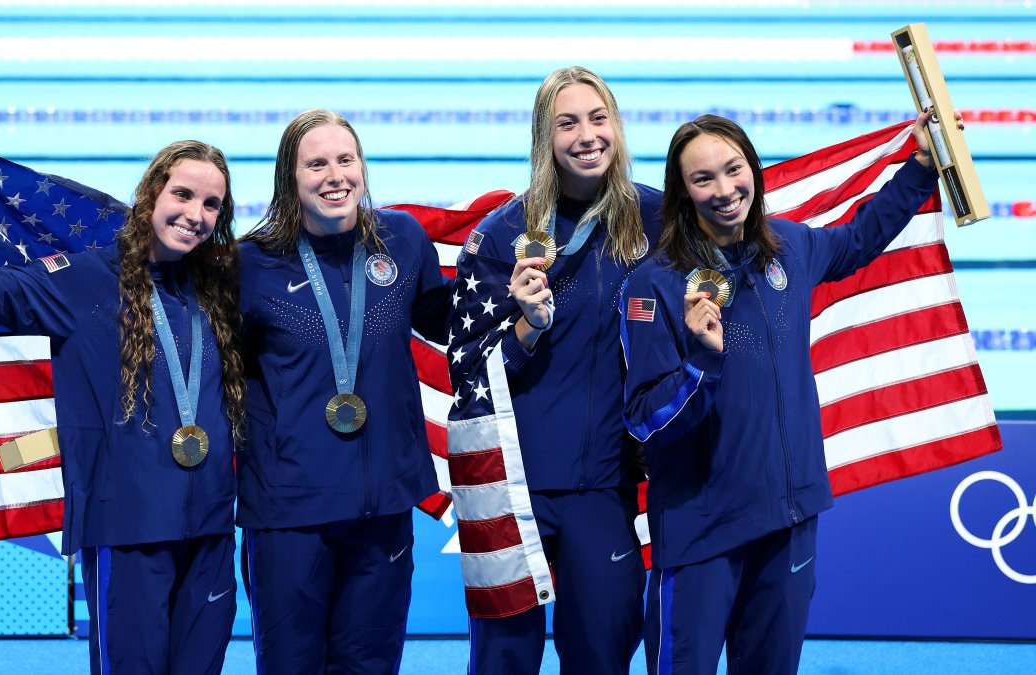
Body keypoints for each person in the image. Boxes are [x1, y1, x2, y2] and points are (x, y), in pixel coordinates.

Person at [0, 124, 243, 675]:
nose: (195, 213)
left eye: (211, 204)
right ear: (151, 193)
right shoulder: (82, 280)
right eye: (182, 194)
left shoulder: (222, 290)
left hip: (213, 529)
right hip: (127, 530)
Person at [620, 111, 947, 674]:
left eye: (734, 169)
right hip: (703, 529)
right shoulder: (655, 283)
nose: (725, 190)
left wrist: (919, 168)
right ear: (682, 193)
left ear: (755, 170)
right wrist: (702, 361)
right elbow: (645, 418)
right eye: (704, 179)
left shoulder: (790, 250)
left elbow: (860, 240)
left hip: (790, 517)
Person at [446, 66, 662, 674]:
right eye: (567, 122)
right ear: (545, 137)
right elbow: (468, 380)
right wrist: (526, 329)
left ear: (616, 127)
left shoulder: (655, 219)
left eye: (598, 119)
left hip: (605, 488)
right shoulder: (500, 238)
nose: (586, 135)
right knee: (504, 661)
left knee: (602, 656)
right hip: (517, 489)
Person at [237, 109, 451, 673]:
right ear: (290, 177)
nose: (335, 175)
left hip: (381, 503)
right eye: (316, 164)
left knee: (370, 664)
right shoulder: (250, 264)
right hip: (289, 511)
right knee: (290, 665)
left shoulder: (401, 240)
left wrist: (522, 300)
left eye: (345, 160)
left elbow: (452, 324)